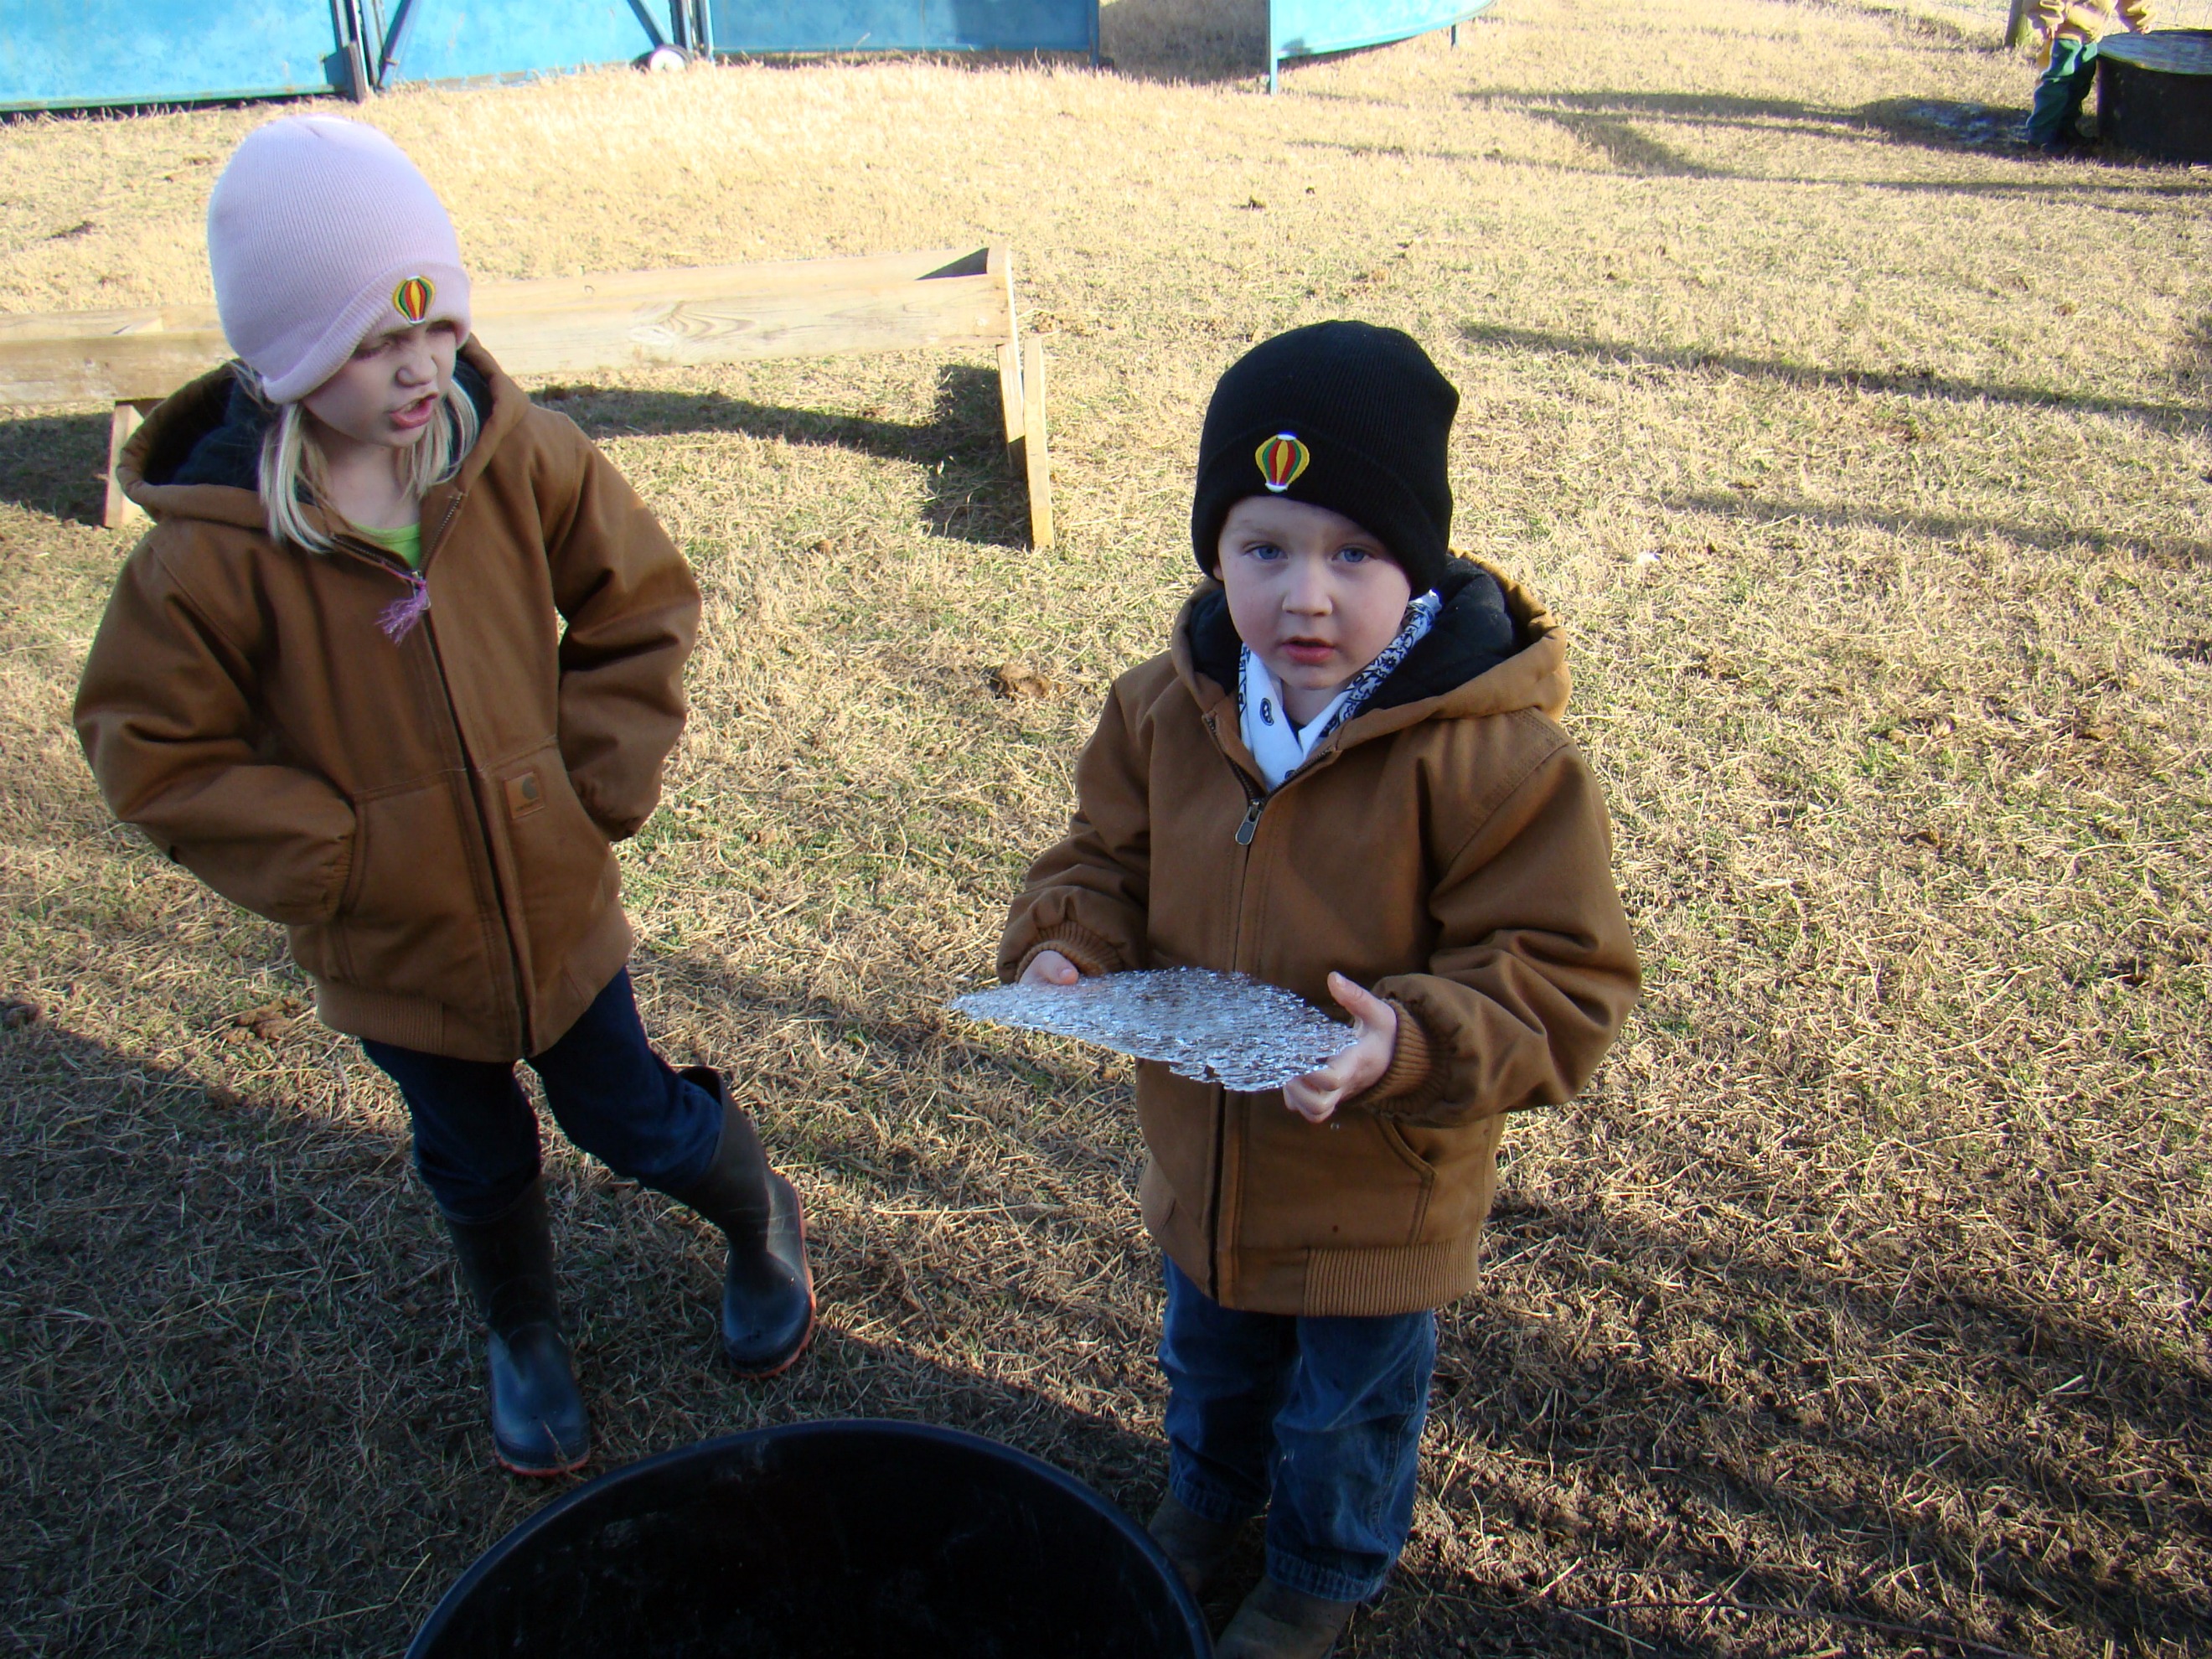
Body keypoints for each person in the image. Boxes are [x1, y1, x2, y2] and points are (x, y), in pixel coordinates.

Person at [73, 116, 814, 1479]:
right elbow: (149, 748)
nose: (418, 366)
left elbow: (638, 601)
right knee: (474, 1158)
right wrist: (338, 862)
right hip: (394, 951)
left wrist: (593, 779)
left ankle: (756, 1207)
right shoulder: (209, 559)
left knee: (630, 1119)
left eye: (434, 324)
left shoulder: (514, 453)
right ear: (283, 358)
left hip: (559, 913)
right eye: (370, 342)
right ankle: (522, 1337)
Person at [995, 322, 1640, 1657]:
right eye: (1264, 548)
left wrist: (1404, 1042)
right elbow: (1102, 859)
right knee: (1212, 1366)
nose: (1305, 597)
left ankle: (1314, 1580)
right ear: (1214, 555)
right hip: (1207, 1163)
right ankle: (1208, 1504)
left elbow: (1558, 976)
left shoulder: (1494, 762)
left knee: (1342, 1412)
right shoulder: (1165, 710)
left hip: (1373, 1186)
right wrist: (1069, 944)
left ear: (1422, 566)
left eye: (1354, 553)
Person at [2025, 0, 2154, 153]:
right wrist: (2048, 15)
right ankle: (2042, 135)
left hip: (2090, 33)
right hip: (2063, 29)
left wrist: (2140, 19)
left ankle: (2065, 129)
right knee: (2057, 81)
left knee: (2080, 81)